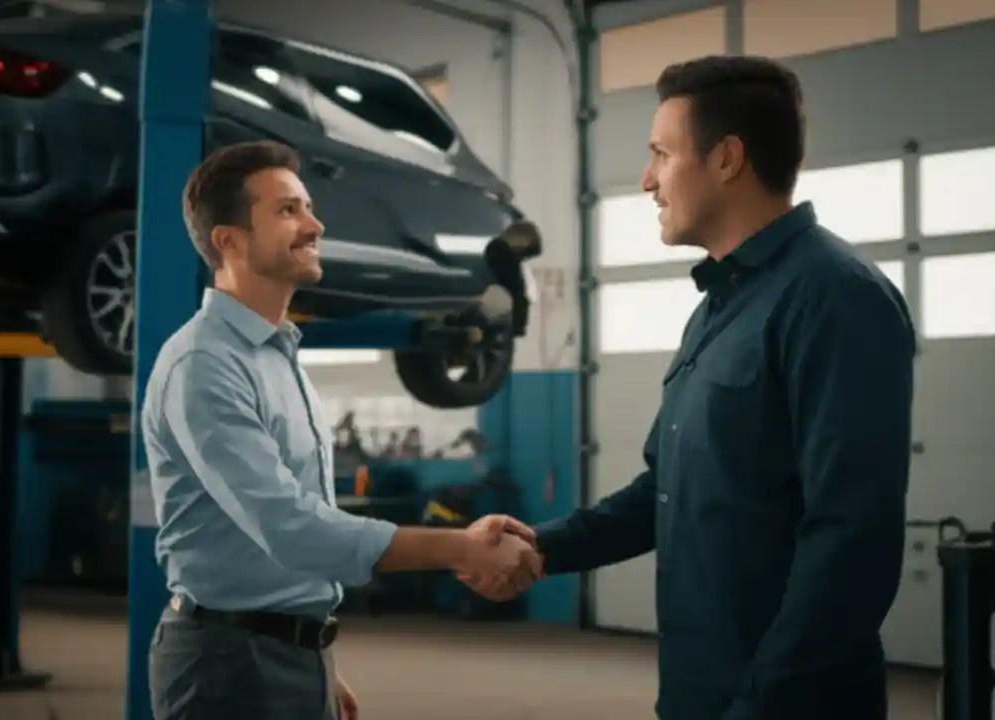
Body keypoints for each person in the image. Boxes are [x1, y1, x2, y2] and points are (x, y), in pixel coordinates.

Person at [470, 56, 918, 719]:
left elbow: (851, 540)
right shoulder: (719, 305)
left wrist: (762, 704)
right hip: (697, 692)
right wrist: (544, 547)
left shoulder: (835, 297)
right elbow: (667, 491)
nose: (647, 180)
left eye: (660, 154)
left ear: (727, 158)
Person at [140, 140, 541, 720]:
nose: (315, 224)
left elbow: (292, 545)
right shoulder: (203, 364)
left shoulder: (275, 354)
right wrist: (458, 546)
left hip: (285, 651)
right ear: (228, 240)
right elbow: (291, 527)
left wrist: (313, 655)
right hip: (228, 666)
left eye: (307, 207)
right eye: (288, 211)